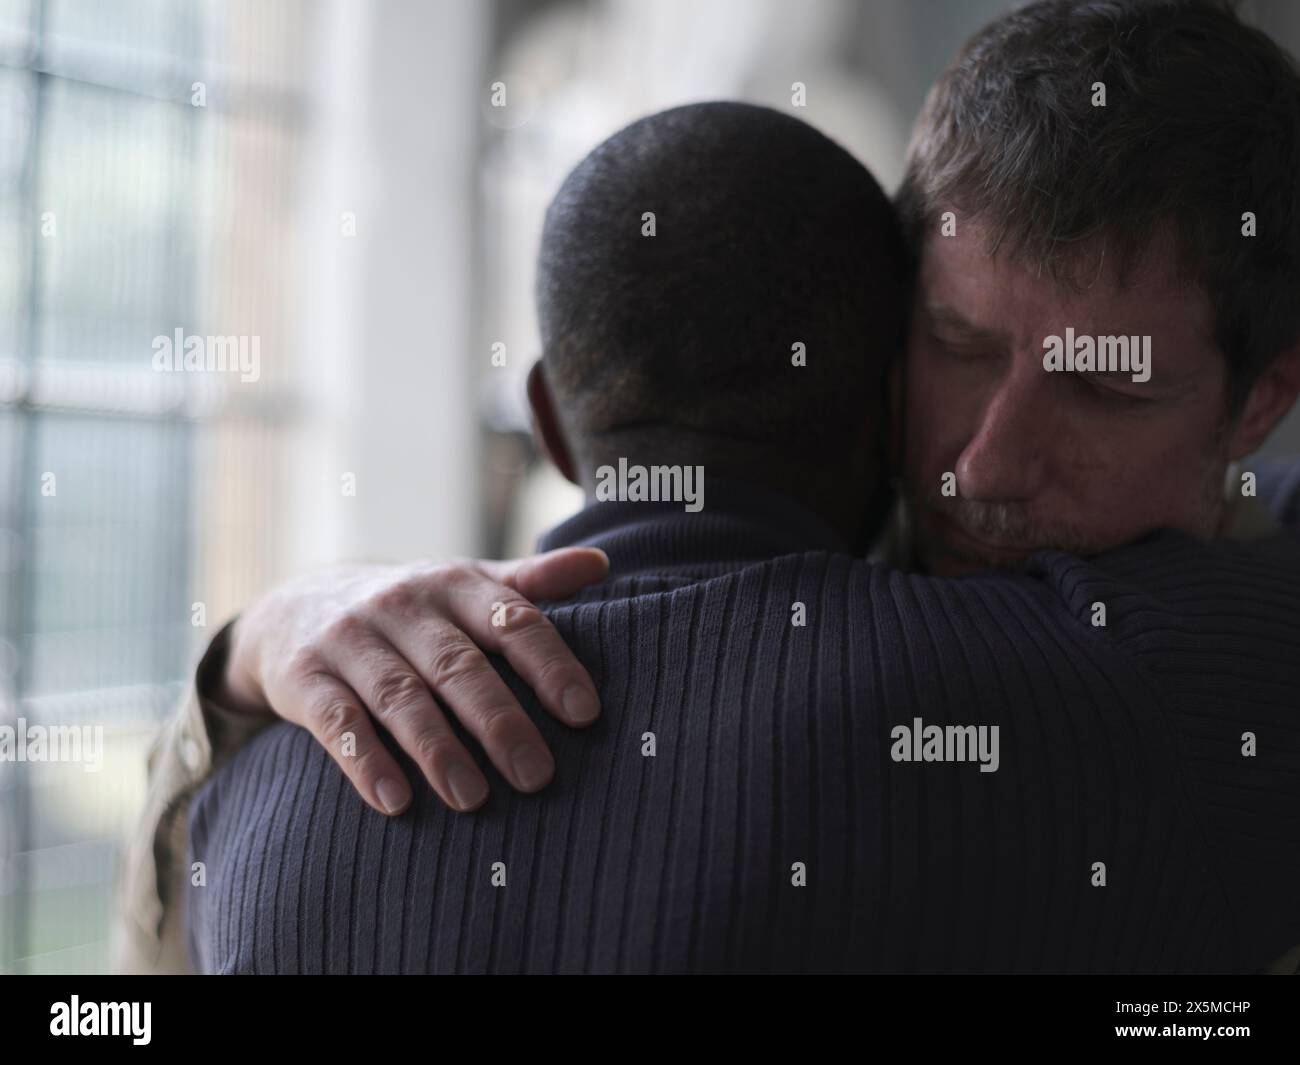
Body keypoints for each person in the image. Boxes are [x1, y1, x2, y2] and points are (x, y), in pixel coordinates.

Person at [115, 0, 1300, 973]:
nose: (984, 465)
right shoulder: (455, 655)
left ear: (1261, 400)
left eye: (1105, 392)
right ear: (883, 326)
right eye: (959, 344)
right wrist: (251, 653)